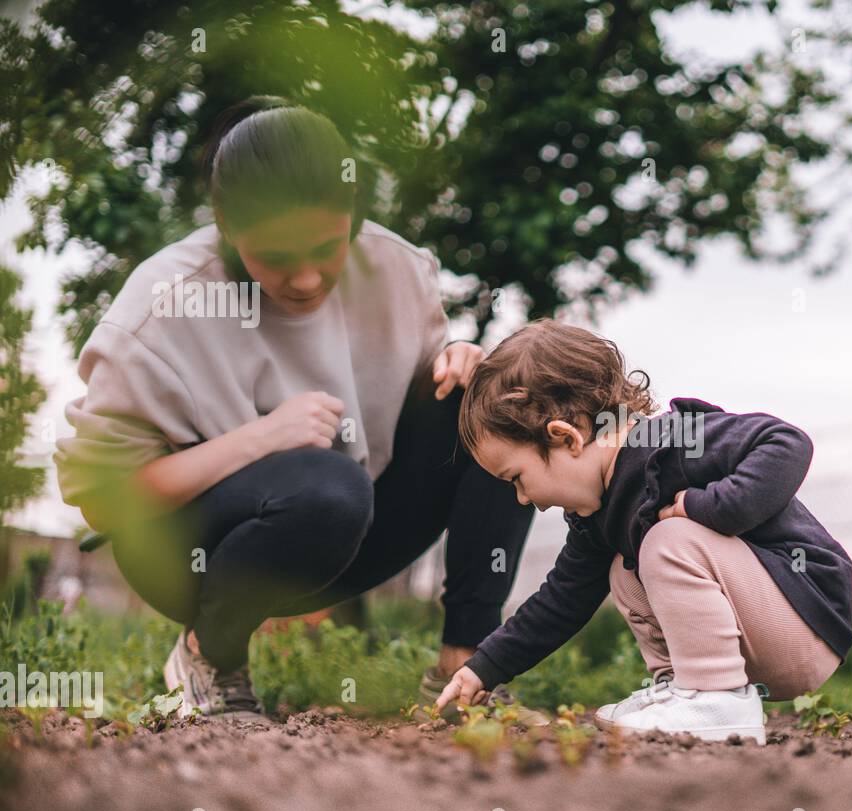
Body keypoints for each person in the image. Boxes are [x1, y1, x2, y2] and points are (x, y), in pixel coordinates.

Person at [54, 96, 538, 722]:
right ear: (227, 227)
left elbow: (426, 410)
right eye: (276, 257)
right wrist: (260, 438)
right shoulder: (163, 302)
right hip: (189, 550)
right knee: (326, 484)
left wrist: (465, 363)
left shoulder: (397, 270)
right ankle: (210, 654)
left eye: (326, 249)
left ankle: (466, 672)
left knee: (494, 404)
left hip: (348, 533)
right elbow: (106, 500)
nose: (306, 279)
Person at [434, 320, 852, 744]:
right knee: (623, 567)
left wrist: (707, 507)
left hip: (807, 617)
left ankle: (716, 699)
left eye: (517, 478)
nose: (522, 498)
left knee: (665, 541)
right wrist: (484, 666)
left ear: (566, 438)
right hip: (763, 641)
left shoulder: (670, 444)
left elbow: (785, 442)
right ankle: (685, 690)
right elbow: (561, 601)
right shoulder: (596, 518)